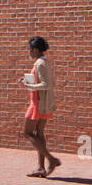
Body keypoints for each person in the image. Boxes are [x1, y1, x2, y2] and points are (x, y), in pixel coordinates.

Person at [21, 35, 60, 177]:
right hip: (42, 102)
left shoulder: (40, 63)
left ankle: (51, 159)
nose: (29, 52)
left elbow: (46, 84)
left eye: (30, 49)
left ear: (36, 50)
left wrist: (29, 85)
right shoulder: (44, 62)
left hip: (38, 103)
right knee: (39, 133)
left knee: (27, 132)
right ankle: (40, 167)